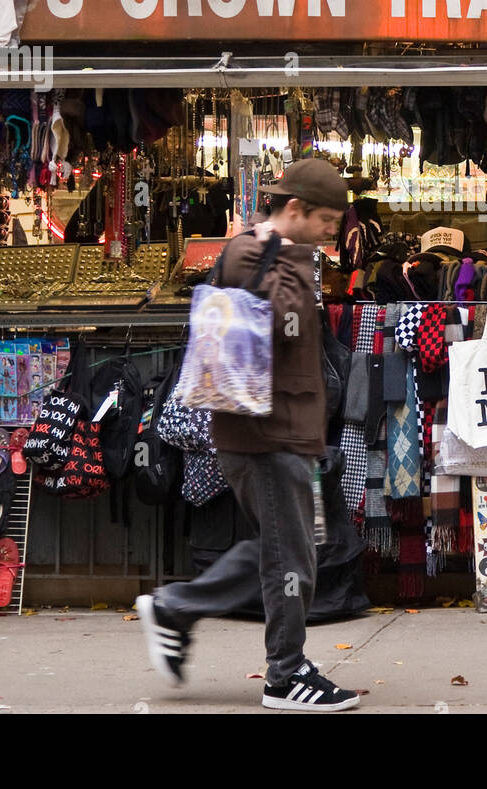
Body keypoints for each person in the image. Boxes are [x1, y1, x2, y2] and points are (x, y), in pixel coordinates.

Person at [135, 158, 361, 712]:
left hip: (290, 432)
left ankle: (176, 607)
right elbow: (280, 321)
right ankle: (285, 675)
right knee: (290, 557)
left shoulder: (281, 254)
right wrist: (292, 255)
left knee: (292, 547)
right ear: (294, 210)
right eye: (328, 219)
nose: (335, 230)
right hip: (263, 435)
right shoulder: (252, 252)